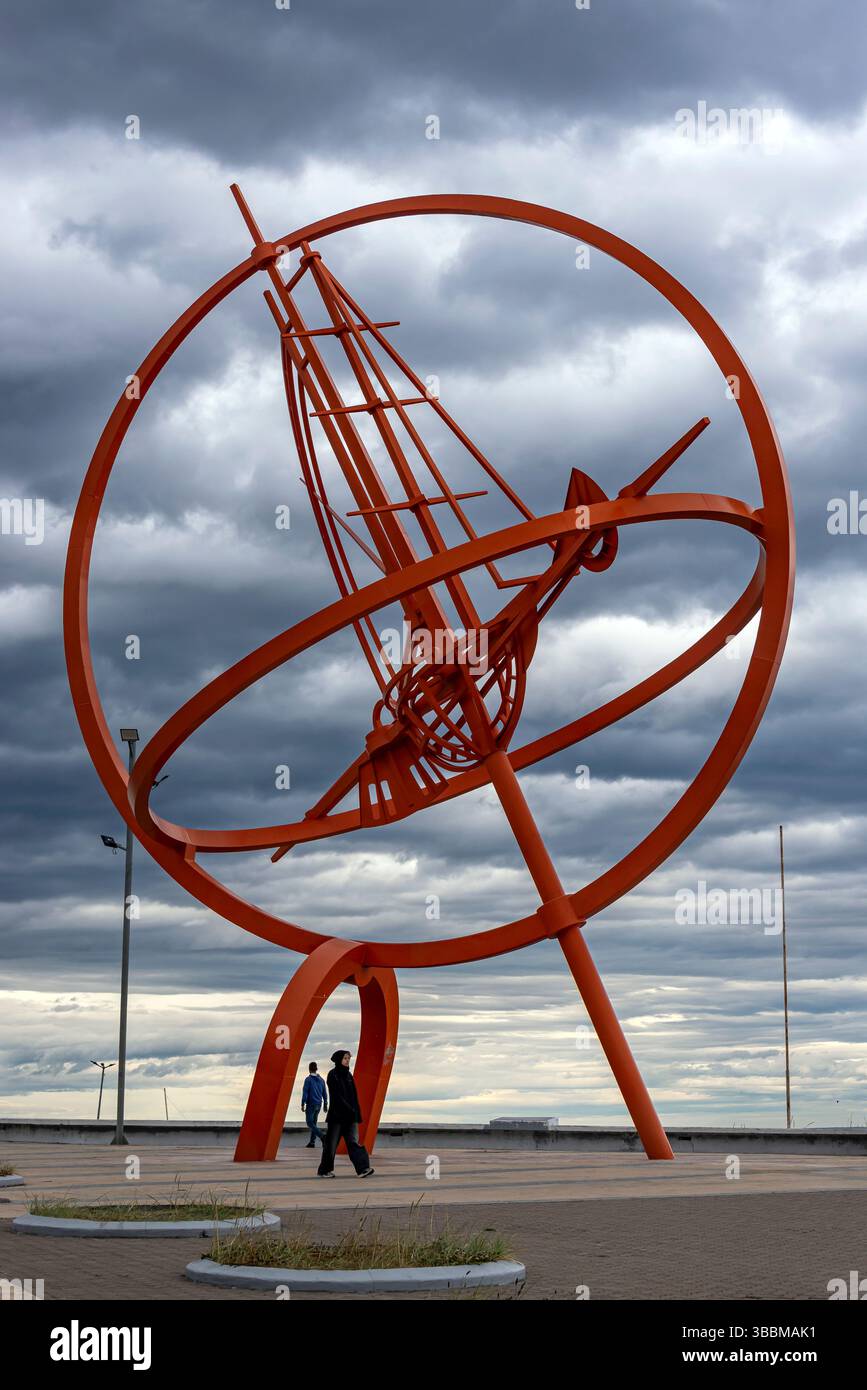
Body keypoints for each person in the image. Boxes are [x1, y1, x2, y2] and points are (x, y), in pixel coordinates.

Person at [317, 1049, 375, 1178]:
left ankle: (363, 1169)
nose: (347, 1060)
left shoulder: (349, 1076)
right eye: (345, 1058)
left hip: (350, 1117)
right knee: (331, 1145)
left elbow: (354, 1097)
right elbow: (336, 1096)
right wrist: (349, 1109)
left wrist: (356, 1114)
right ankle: (324, 1170)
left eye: (349, 1058)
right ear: (338, 1060)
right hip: (336, 1117)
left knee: (353, 1143)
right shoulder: (333, 1075)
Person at [300, 1061, 328, 1148]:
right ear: (316, 1069)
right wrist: (325, 1104)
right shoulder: (322, 1080)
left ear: (309, 1069)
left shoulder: (308, 1080)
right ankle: (312, 1143)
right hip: (319, 1105)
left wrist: (302, 1103)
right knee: (314, 1123)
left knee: (309, 1123)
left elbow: (305, 1092)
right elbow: (324, 1093)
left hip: (311, 1104)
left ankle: (323, 1136)